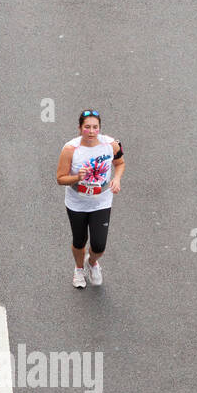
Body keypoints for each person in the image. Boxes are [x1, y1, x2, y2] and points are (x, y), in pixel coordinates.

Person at [56, 111, 124, 288]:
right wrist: (77, 177)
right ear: (80, 129)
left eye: (95, 127)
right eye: (87, 127)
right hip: (77, 202)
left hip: (101, 200)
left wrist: (116, 179)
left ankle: (92, 263)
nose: (92, 131)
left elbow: (120, 163)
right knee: (79, 241)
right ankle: (79, 269)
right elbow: (60, 178)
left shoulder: (111, 144)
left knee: (99, 245)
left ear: (99, 128)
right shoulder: (70, 149)